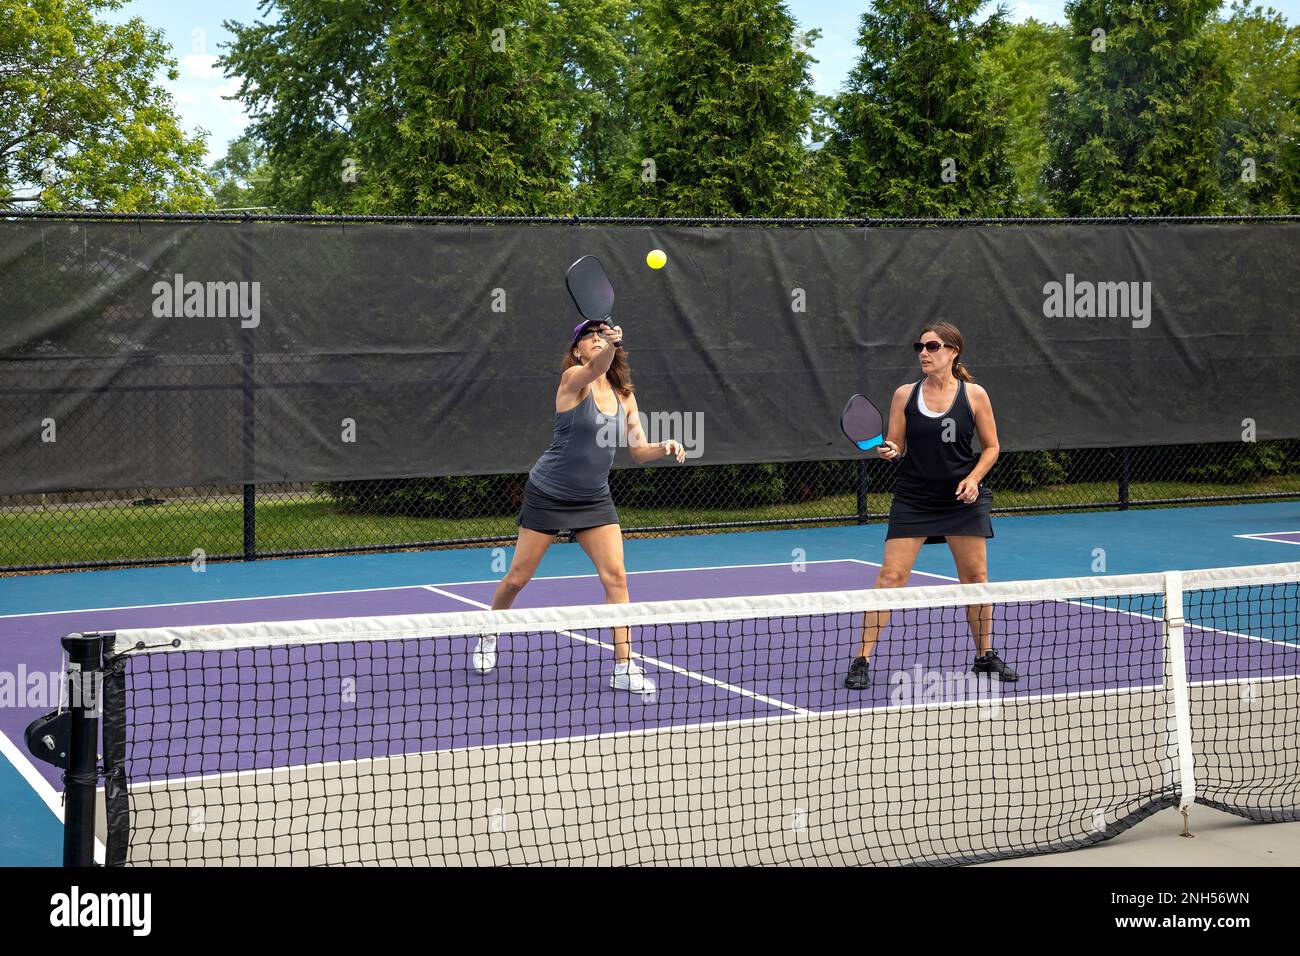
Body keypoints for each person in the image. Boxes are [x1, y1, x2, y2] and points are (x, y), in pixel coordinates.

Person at [472, 318, 686, 693]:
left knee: (616, 576)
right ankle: (489, 632)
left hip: (593, 498)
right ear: (576, 349)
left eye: (601, 334)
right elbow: (596, 366)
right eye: (589, 336)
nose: (596, 340)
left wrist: (663, 446)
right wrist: (611, 346)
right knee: (518, 578)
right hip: (548, 492)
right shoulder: (573, 379)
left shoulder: (624, 395)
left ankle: (623, 666)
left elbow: (637, 451)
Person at [844, 321, 1020, 689]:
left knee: (975, 579)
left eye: (933, 346)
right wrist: (889, 451)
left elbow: (992, 447)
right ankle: (861, 658)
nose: (924, 353)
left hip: (961, 500)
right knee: (890, 577)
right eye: (920, 347)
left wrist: (973, 480)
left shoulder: (974, 396)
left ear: (953, 352)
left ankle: (984, 656)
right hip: (914, 497)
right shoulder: (904, 395)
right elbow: (896, 445)